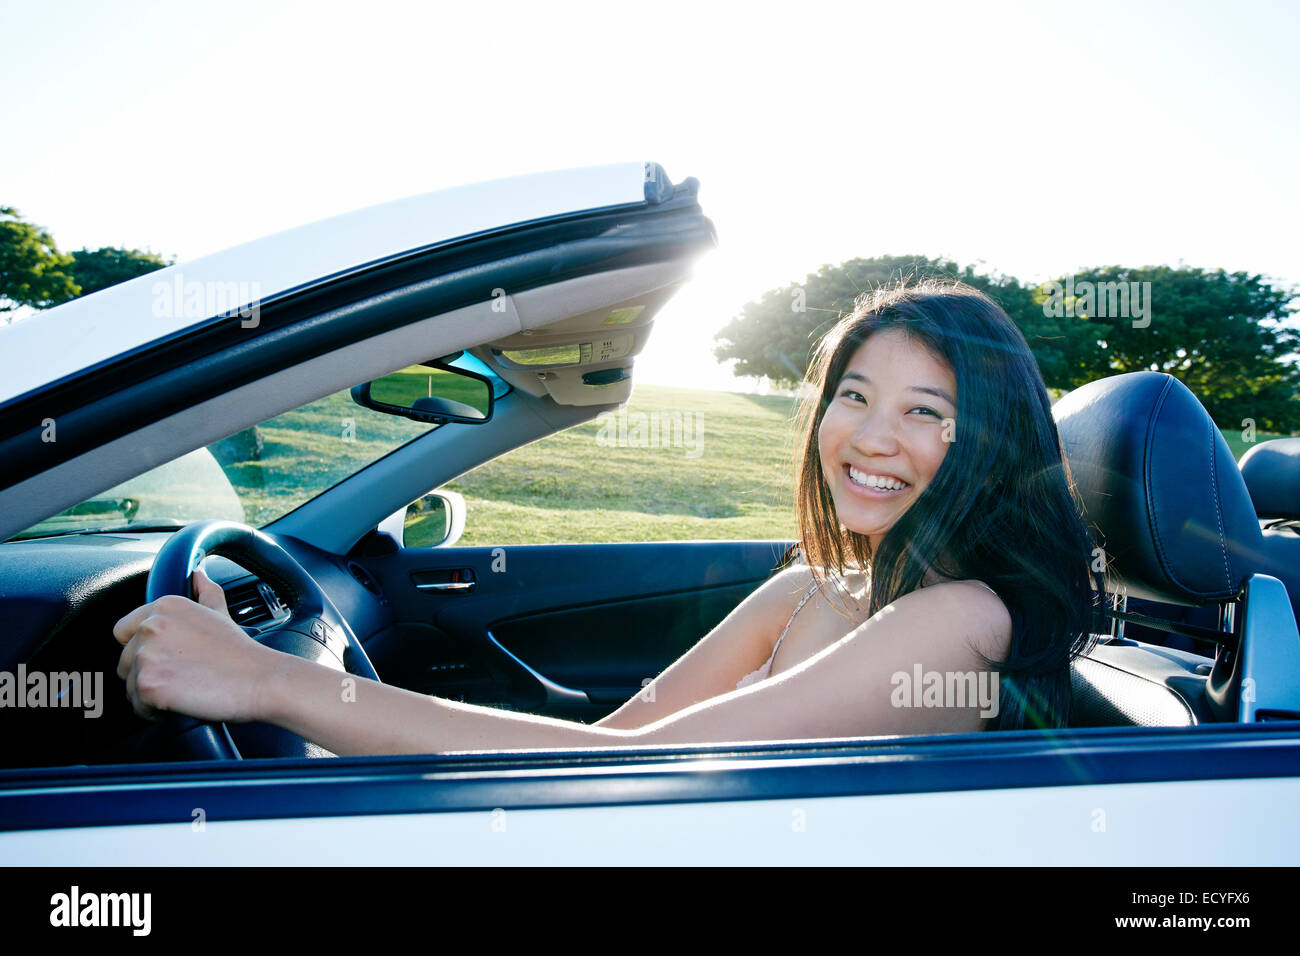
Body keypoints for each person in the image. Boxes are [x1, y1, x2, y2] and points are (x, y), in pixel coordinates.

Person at [113, 278, 1106, 753]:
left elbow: (642, 769)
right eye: (853, 394)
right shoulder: (812, 582)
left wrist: (269, 678)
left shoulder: (966, 620)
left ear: (988, 441)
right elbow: (630, 726)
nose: (871, 436)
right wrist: (279, 684)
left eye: (925, 412)